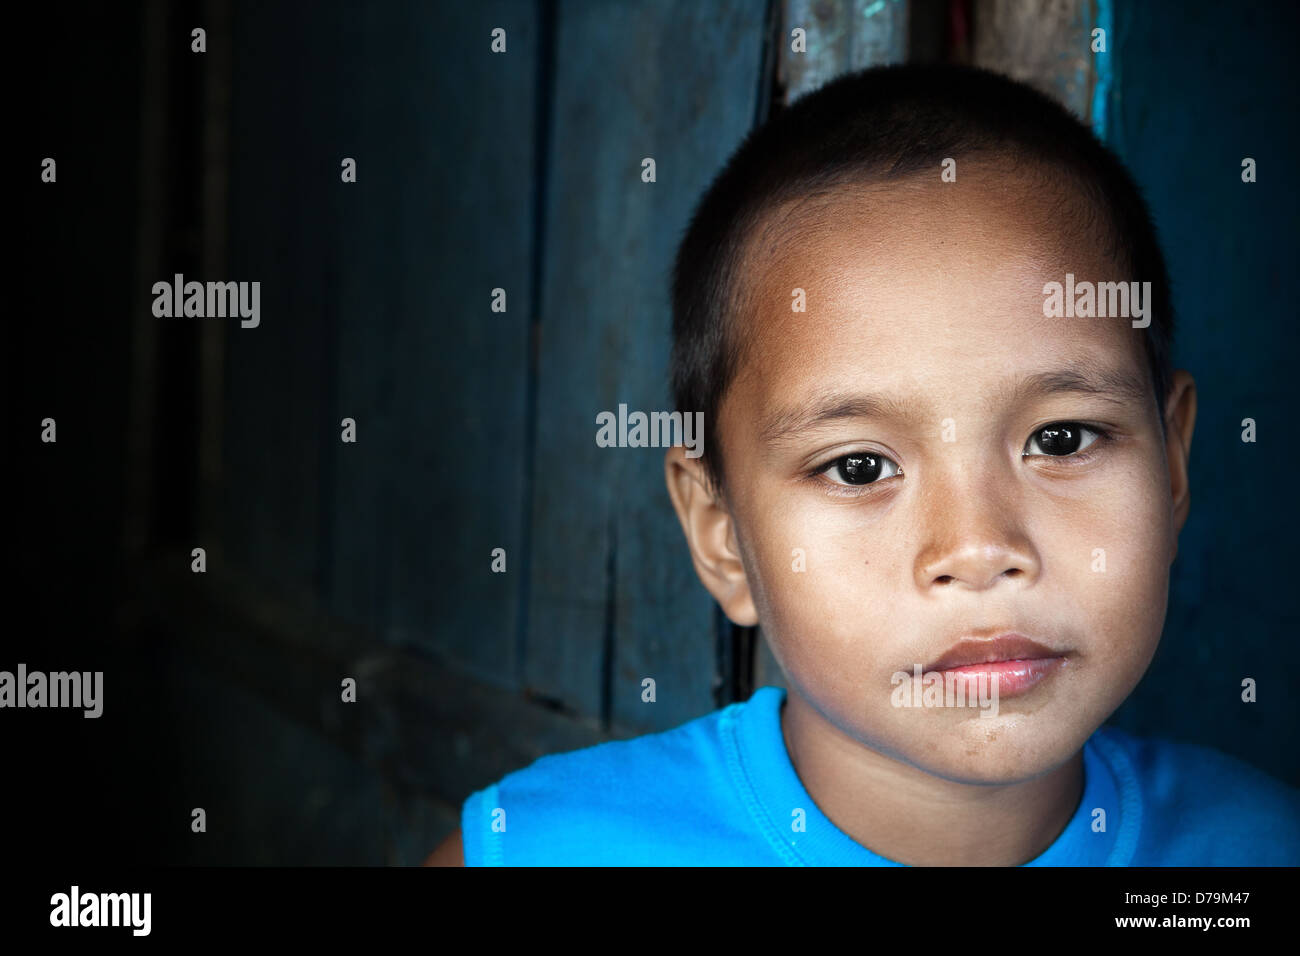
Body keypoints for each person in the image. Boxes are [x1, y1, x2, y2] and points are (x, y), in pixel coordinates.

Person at [426, 63, 1299, 866]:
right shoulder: (541, 851)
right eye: (856, 467)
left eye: (1061, 440)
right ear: (722, 534)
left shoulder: (1254, 850)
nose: (978, 547)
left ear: (1173, 467)